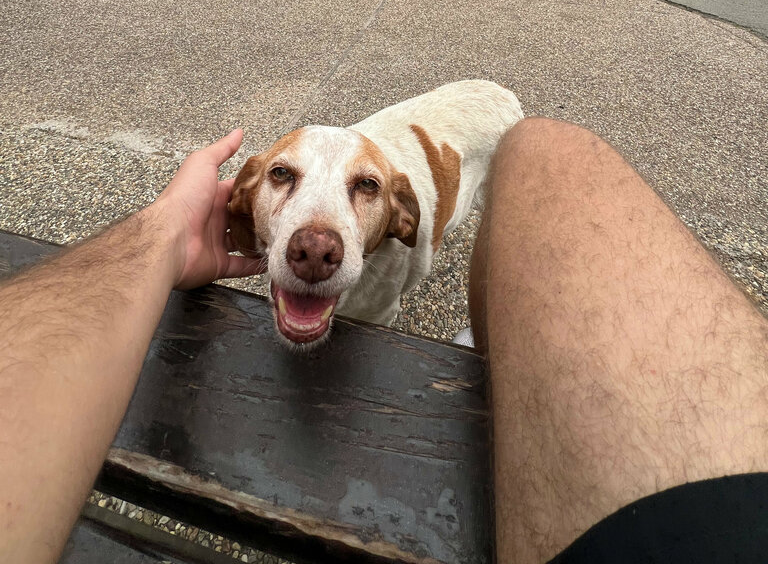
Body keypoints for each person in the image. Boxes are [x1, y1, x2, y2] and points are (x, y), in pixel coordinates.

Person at [0, 122, 766, 562]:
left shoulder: (405, 229)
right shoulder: (278, 223)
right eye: (283, 179)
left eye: (363, 189)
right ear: (244, 202)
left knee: (531, 148)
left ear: (398, 216)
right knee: (553, 152)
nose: (315, 237)